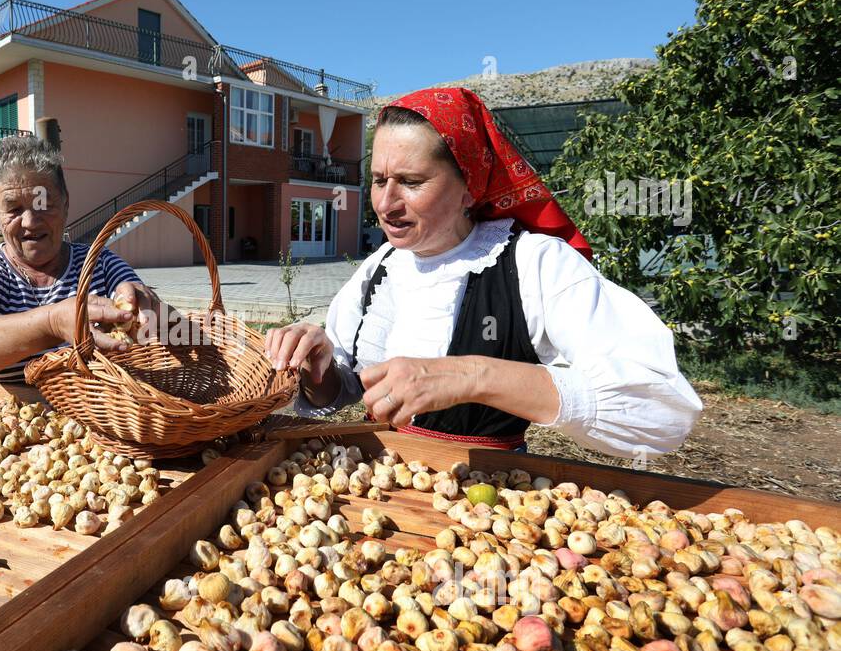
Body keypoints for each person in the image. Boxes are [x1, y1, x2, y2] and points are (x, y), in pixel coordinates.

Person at [264, 87, 702, 458]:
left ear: (470, 186)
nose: (384, 203)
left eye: (411, 182)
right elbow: (344, 391)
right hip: (380, 487)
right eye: (379, 180)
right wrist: (319, 371)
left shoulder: (535, 263)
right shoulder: (381, 267)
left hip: (490, 500)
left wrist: (471, 375)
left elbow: (662, 415)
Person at [0, 135, 163, 382]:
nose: (30, 223)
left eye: (43, 204)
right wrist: (52, 323)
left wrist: (145, 305)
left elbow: (160, 325)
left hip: (94, 416)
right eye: (14, 209)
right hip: (8, 416)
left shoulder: (99, 263)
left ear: (66, 205)